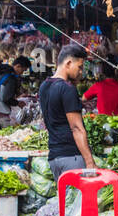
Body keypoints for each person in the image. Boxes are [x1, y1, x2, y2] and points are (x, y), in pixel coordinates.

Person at [38, 44, 96, 181]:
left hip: (54, 157)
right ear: (69, 63)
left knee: (65, 201)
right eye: (80, 67)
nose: (81, 72)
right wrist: (89, 162)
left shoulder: (44, 85)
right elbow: (76, 128)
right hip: (71, 157)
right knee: (77, 201)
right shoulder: (67, 89)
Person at [0, 56, 31, 127]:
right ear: (18, 66)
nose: (22, 73)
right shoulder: (10, 78)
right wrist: (18, 103)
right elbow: (7, 99)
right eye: (23, 70)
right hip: (1, 113)